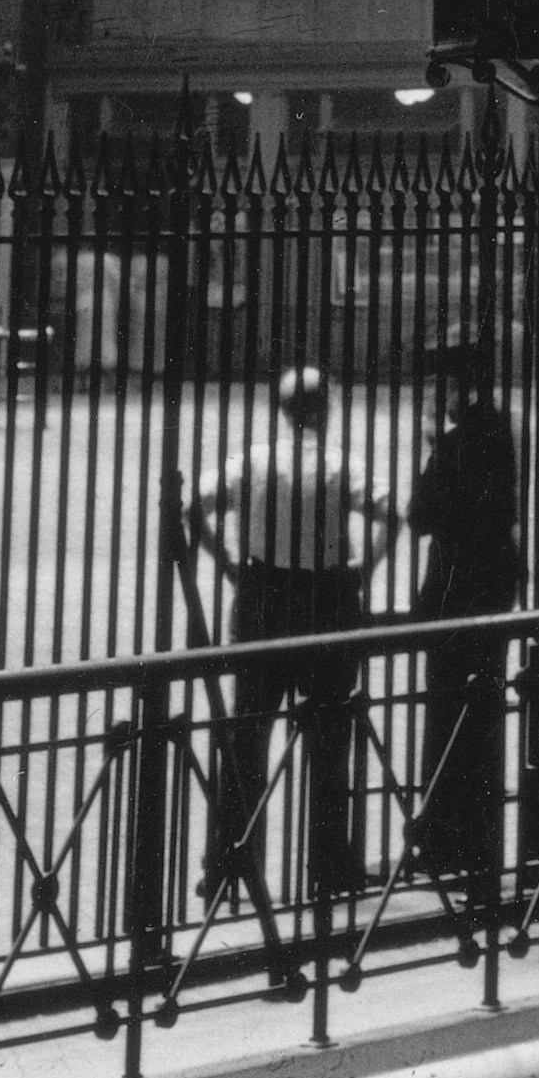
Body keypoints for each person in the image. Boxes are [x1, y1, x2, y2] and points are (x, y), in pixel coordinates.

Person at [178, 361, 390, 946]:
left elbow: (193, 505)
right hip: (323, 602)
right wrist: (361, 570)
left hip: (261, 600)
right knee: (328, 743)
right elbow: (390, 514)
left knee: (244, 739)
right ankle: (327, 867)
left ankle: (227, 865)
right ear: (324, 410)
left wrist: (226, 564)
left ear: (280, 410)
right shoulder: (342, 463)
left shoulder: (250, 460)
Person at [405, 362, 524, 895]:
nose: (437, 398)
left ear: (464, 389)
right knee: (485, 711)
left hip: (453, 588)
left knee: (446, 711)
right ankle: (482, 837)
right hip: (496, 583)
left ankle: (444, 839)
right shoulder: (504, 439)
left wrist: (432, 447)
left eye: (443, 387)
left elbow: (419, 516)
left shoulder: (455, 445)